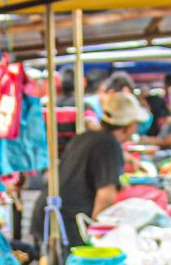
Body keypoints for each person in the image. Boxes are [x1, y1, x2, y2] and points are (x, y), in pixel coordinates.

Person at [57, 88, 140, 249]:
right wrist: (96, 234)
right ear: (129, 126)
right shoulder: (109, 144)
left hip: (57, 216)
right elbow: (105, 195)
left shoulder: (88, 136)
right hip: (68, 224)